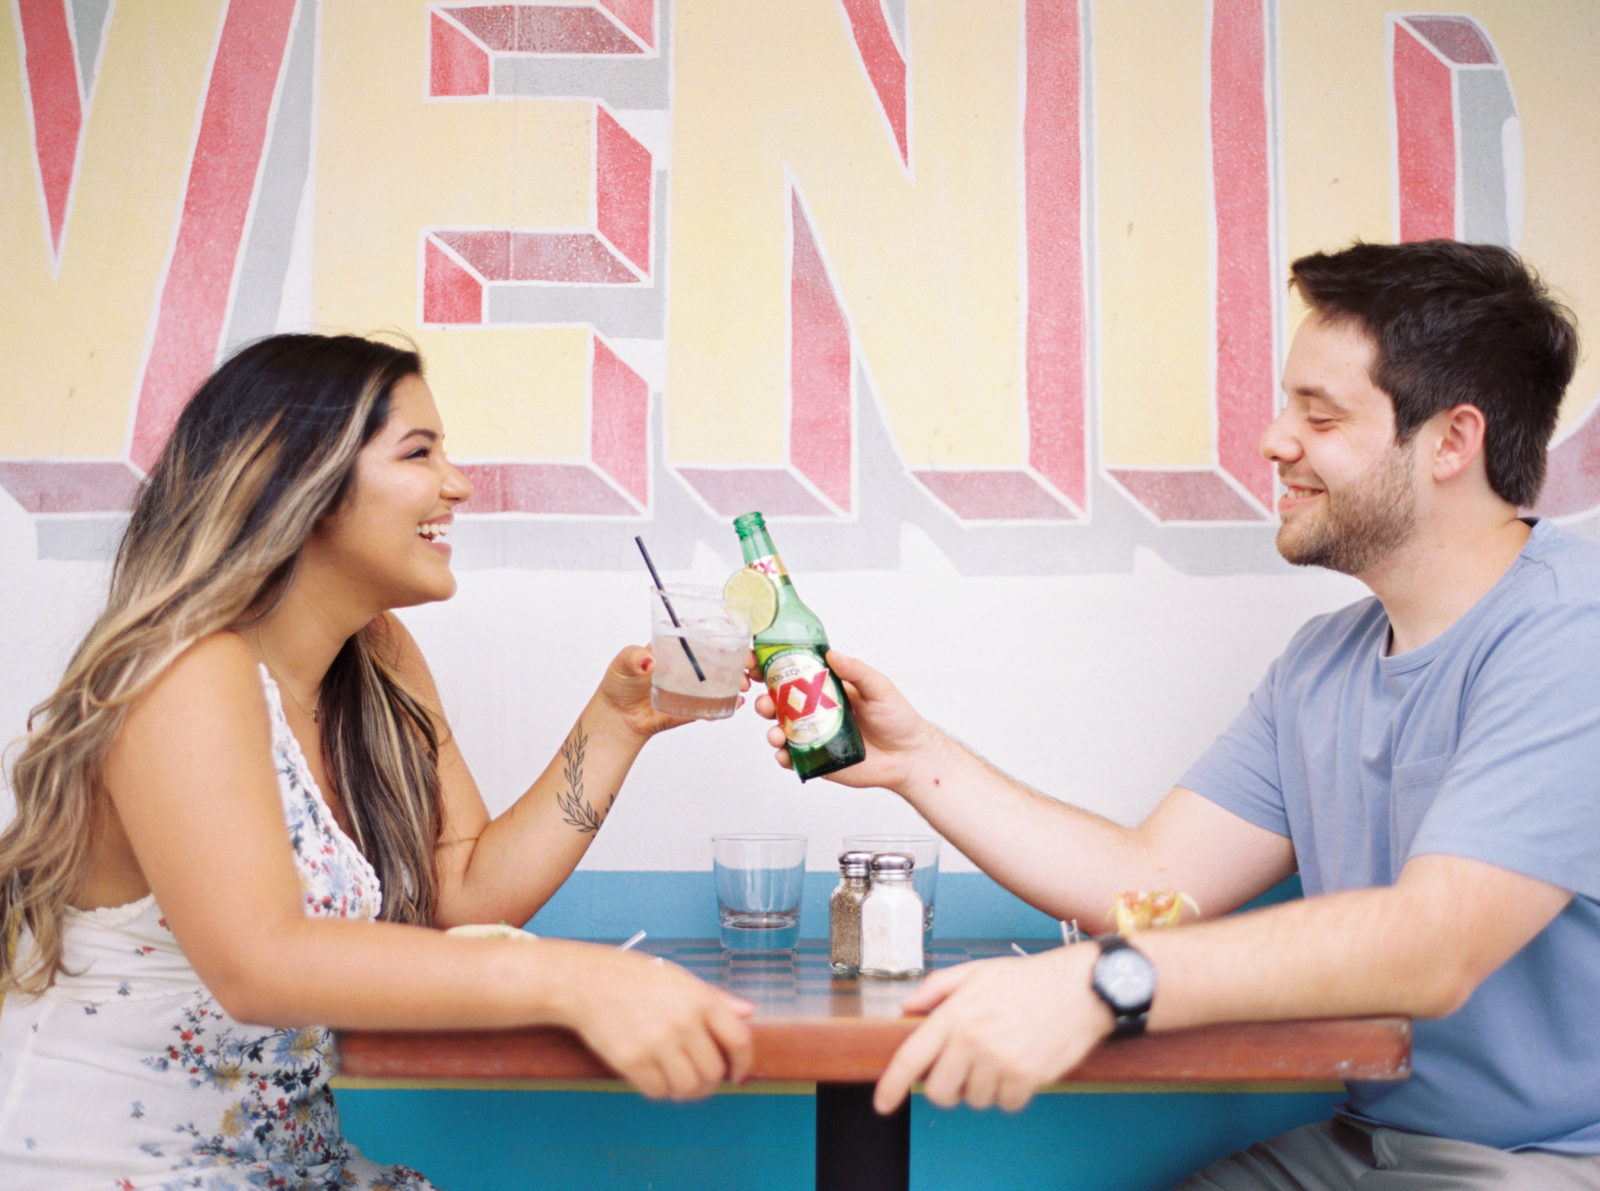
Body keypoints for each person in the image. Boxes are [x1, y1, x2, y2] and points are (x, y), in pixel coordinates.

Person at [760, 240, 1600, 1188]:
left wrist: (1104, 983)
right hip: (1365, 1149)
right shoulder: (1323, 665)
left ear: (1453, 441)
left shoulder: (1573, 634)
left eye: (1318, 415)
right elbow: (1149, 881)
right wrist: (919, 758)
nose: (1275, 439)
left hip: (1548, 1165)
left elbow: (1435, 945)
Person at [0, 334, 754, 1190]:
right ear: (303, 484)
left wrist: (617, 723)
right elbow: (259, 964)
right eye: (419, 452)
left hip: (288, 1166)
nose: (457, 483)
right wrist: (571, 977)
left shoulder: (378, 656)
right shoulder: (183, 672)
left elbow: (462, 889)